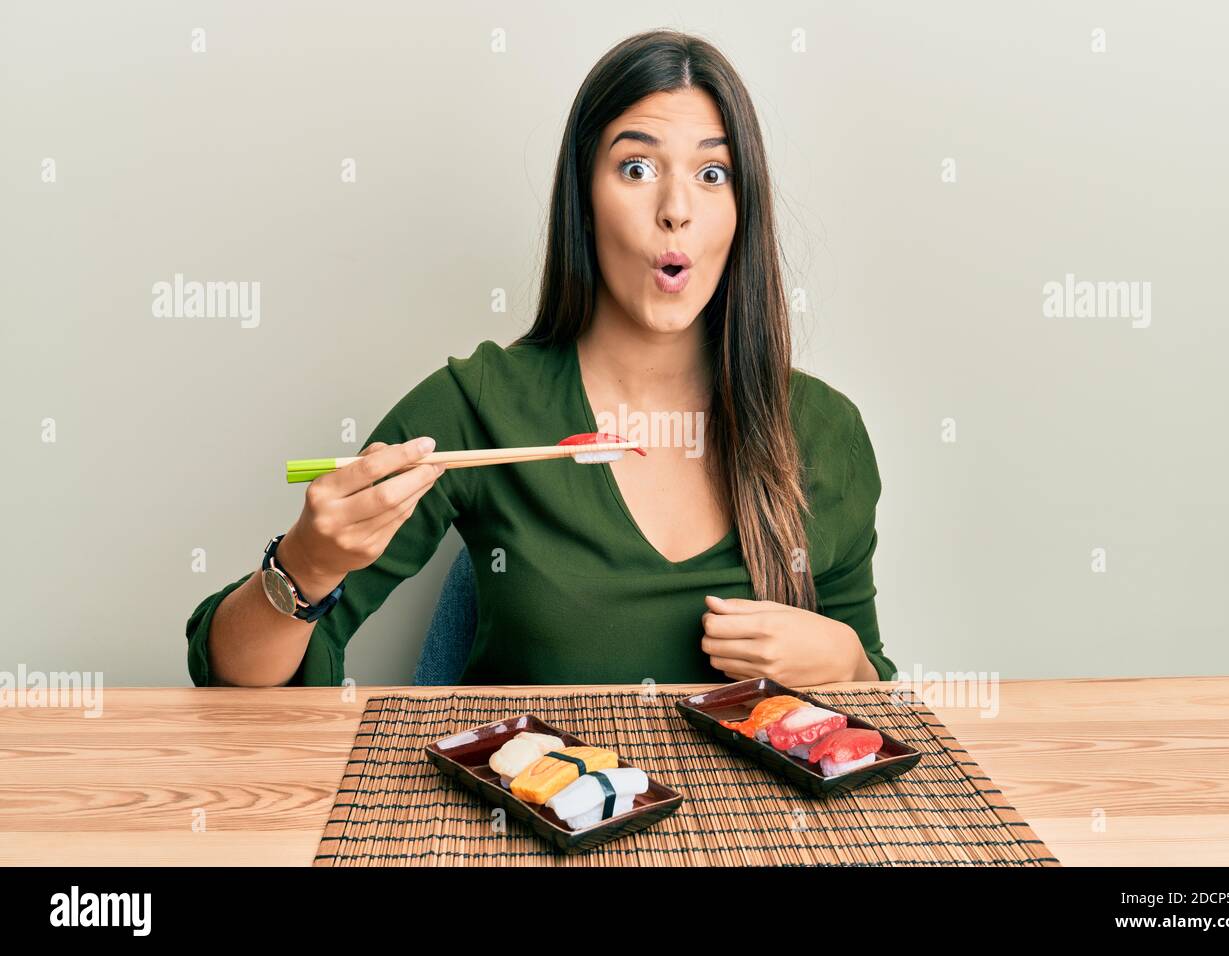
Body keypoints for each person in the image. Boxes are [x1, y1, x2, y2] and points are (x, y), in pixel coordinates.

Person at [185, 29, 896, 688]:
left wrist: (851, 663)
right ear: (583, 199)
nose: (676, 208)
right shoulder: (477, 406)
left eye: (714, 174)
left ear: (744, 209)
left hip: (753, 828)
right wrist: (304, 565)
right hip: (528, 820)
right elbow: (235, 683)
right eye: (638, 166)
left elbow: (879, 725)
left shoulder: (825, 431)